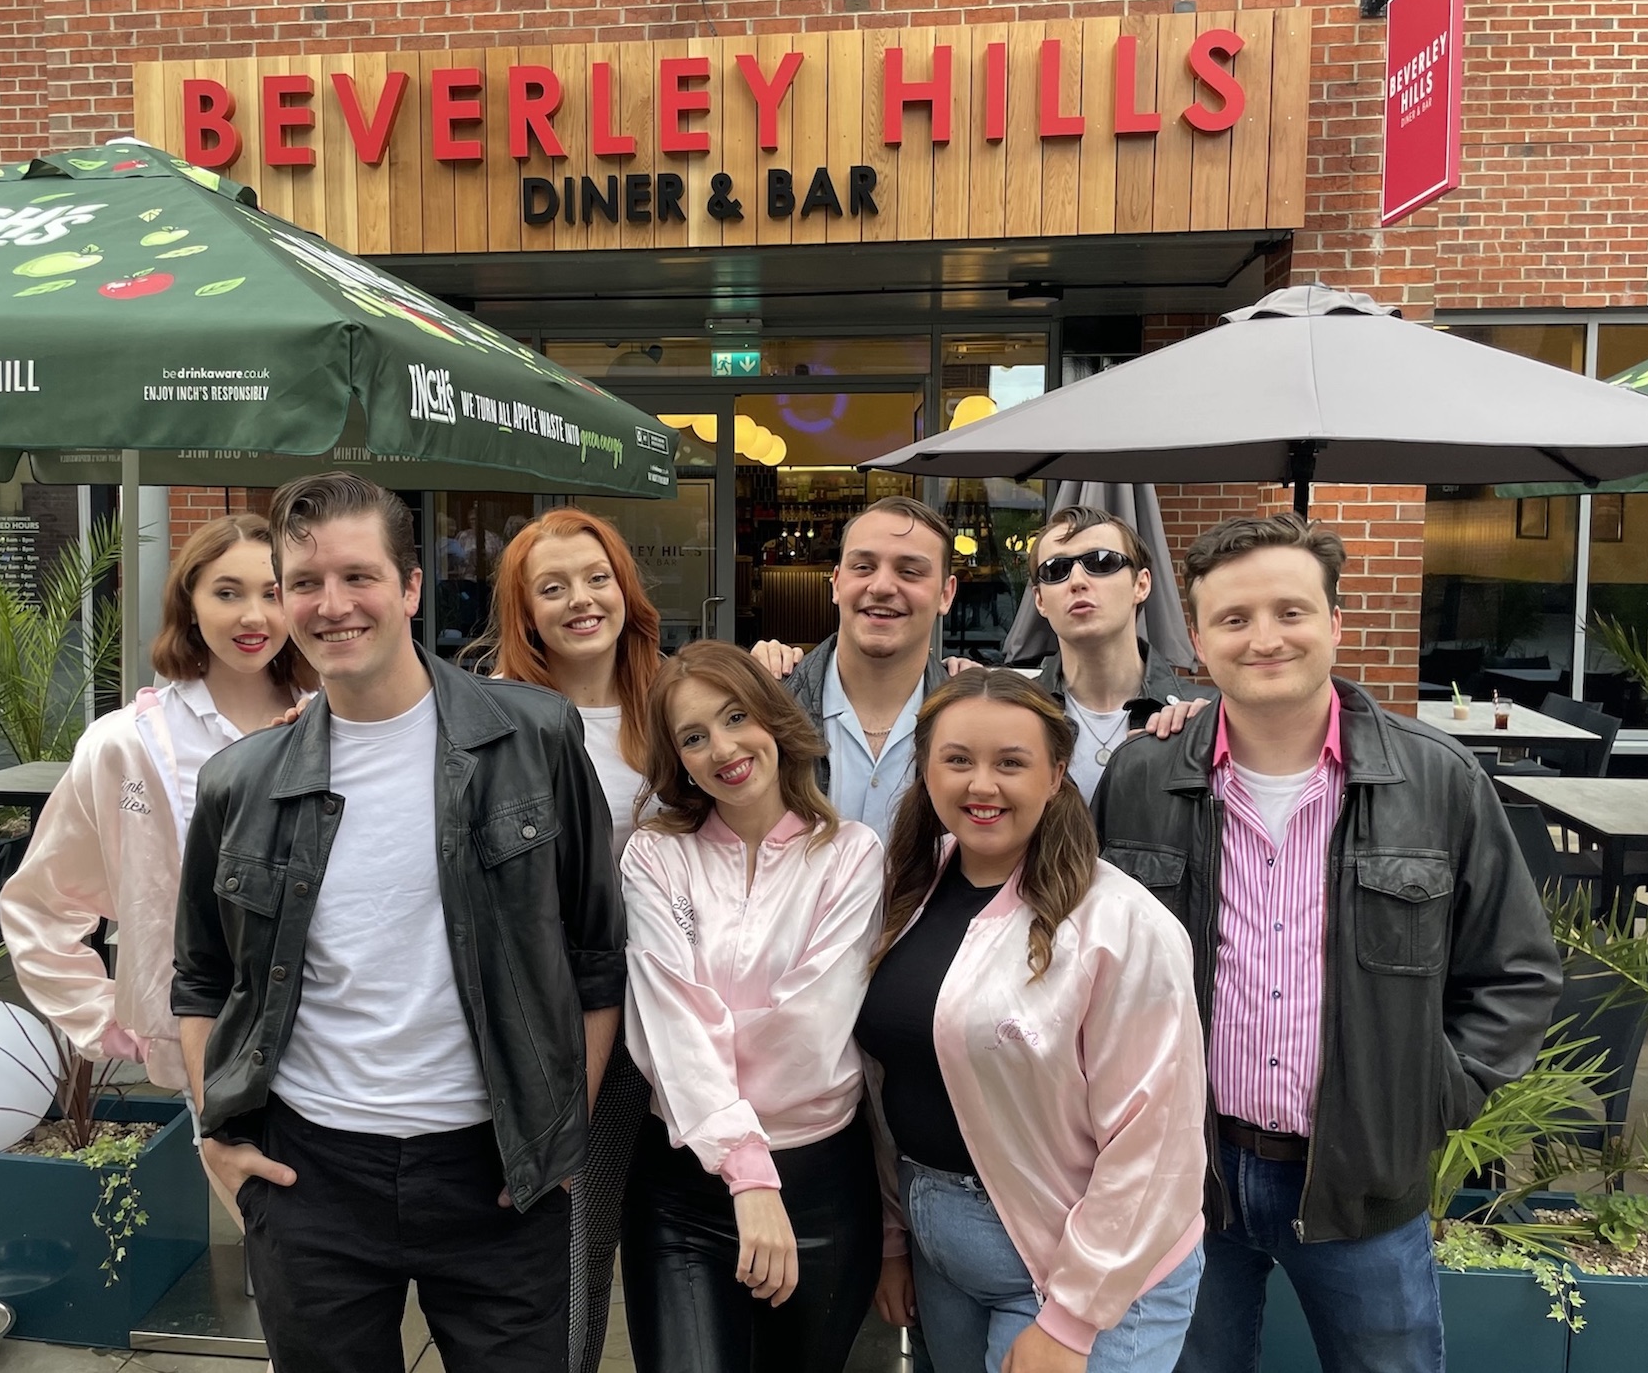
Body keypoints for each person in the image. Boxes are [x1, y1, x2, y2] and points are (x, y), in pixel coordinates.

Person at [170, 473, 624, 1373]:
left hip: (498, 1171)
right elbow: (202, 977)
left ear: (411, 586)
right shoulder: (239, 782)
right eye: (305, 581)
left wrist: (558, 1132)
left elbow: (595, 956)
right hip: (311, 1177)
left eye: (358, 576)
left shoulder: (535, 736)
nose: (330, 605)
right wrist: (216, 1135)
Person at [1090, 513, 1562, 1373]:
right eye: (1233, 618)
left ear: (1336, 623)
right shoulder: (1140, 778)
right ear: (1196, 637)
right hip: (1188, 1180)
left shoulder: (1438, 779)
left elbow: (1517, 970)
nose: (1264, 637)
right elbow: (1085, 959)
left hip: (1364, 1185)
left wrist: (1433, 1094)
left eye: (1291, 611)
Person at [858, 668, 1207, 1373]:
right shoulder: (905, 892)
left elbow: (1155, 1140)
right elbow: (890, 1083)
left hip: (1086, 1267)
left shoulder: (1120, 925)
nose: (980, 785)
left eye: (1010, 762)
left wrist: (1072, 1318)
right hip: (942, 1252)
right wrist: (897, 1239)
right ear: (925, 768)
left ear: (1056, 774)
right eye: (957, 760)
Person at [619, 640, 887, 1373]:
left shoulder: (852, 855)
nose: (723, 748)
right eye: (694, 736)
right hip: (682, 1191)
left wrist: (720, 1029)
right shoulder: (655, 856)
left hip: (822, 1186)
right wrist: (746, 1169)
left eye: (736, 716)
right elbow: (670, 1021)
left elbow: (810, 1024)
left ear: (773, 716)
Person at [1, 512, 311, 1147]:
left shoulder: (335, 727)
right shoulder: (127, 745)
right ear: (190, 604)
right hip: (209, 1037)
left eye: (274, 592)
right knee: (262, 1218)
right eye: (228, 592)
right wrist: (112, 1020)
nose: (254, 616)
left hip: (337, 1031)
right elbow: (40, 903)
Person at [472, 507, 664, 1373]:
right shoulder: (489, 722)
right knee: (568, 1250)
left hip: (680, 1019)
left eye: (596, 577)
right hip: (563, 1026)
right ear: (525, 610)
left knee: (670, 1250)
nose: (582, 600)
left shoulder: (677, 705)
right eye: (552, 587)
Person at [753, 494, 959, 846]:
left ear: (945, 594)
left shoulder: (973, 720)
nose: (880, 587)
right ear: (836, 583)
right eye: (863, 567)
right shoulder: (769, 707)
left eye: (909, 571)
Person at [1020, 504, 1209, 800]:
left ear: (1141, 584)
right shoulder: (1015, 713)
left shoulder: (1206, 717)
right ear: (1040, 600)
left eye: (1102, 562)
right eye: (1056, 569)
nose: (1078, 581)